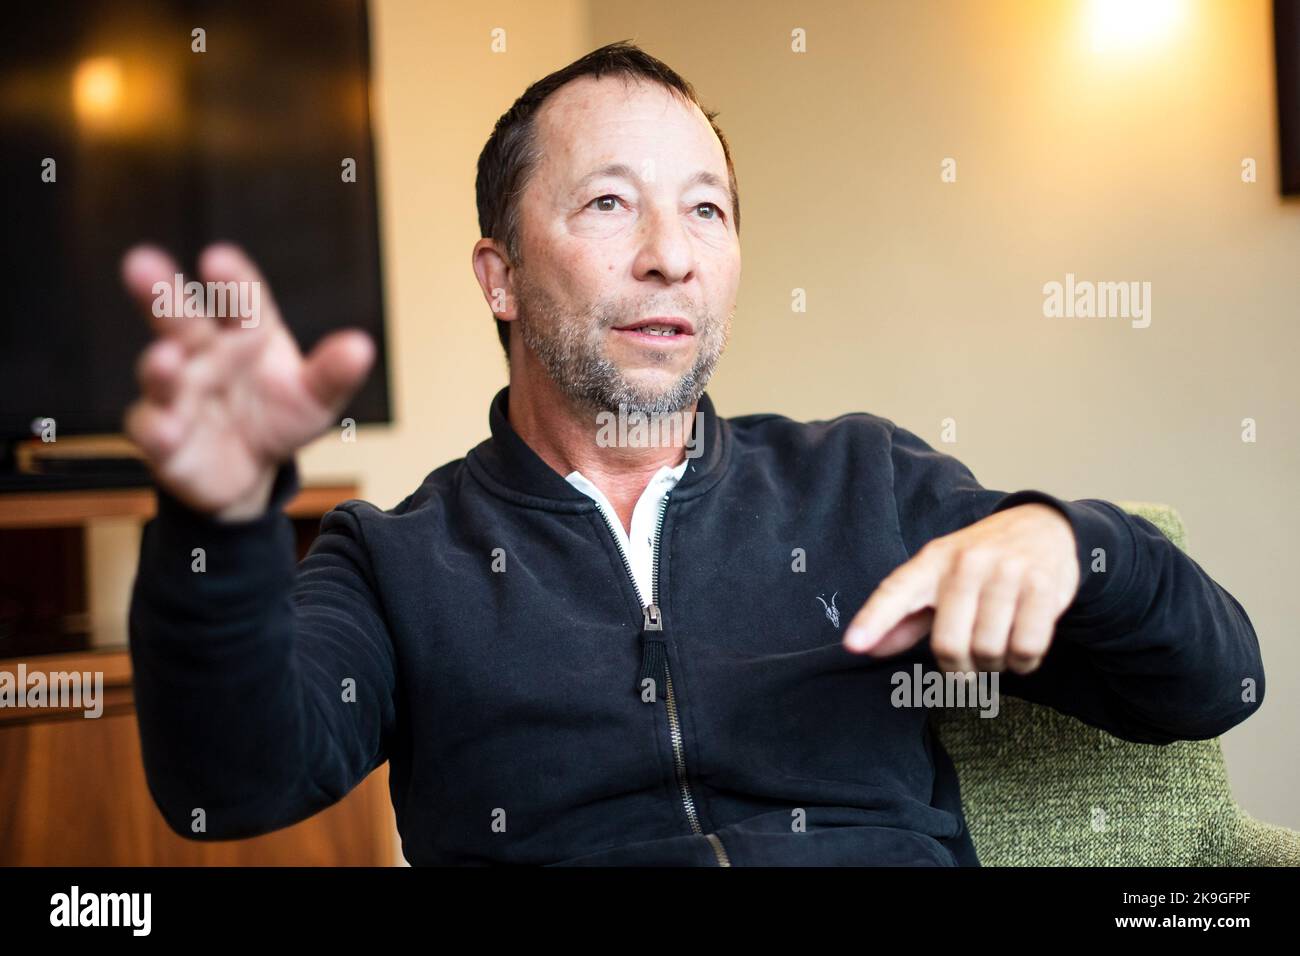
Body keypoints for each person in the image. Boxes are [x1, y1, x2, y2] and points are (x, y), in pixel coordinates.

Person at [121, 41, 1264, 866]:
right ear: (499, 275)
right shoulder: (393, 558)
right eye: (611, 203)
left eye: (707, 210)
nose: (671, 253)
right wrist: (214, 526)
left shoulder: (860, 482)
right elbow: (229, 785)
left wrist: (1080, 542)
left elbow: (1215, 686)